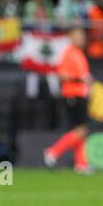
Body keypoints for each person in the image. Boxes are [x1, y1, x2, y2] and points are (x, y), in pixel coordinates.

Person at [43, 29, 93, 173]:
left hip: (81, 95)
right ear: (71, 37)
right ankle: (53, 151)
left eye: (82, 36)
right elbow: (61, 74)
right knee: (80, 130)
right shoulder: (69, 53)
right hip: (72, 95)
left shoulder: (79, 54)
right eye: (78, 36)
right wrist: (79, 79)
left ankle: (81, 163)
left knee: (81, 130)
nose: (81, 39)